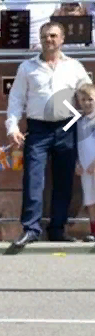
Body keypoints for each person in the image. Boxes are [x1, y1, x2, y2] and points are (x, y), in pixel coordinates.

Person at [6, 22, 89, 247]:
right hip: (38, 129)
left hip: (67, 126)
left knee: (63, 182)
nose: (49, 40)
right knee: (33, 179)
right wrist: (12, 127)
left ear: (62, 39)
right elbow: (16, 100)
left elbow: (89, 95)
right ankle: (31, 229)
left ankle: (57, 229)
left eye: (53, 36)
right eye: (45, 36)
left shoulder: (75, 67)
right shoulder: (27, 67)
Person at [73, 83, 95, 242]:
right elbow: (74, 145)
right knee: (90, 200)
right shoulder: (78, 123)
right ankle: (93, 232)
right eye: (83, 100)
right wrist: (76, 164)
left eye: (91, 99)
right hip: (85, 169)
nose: (87, 102)